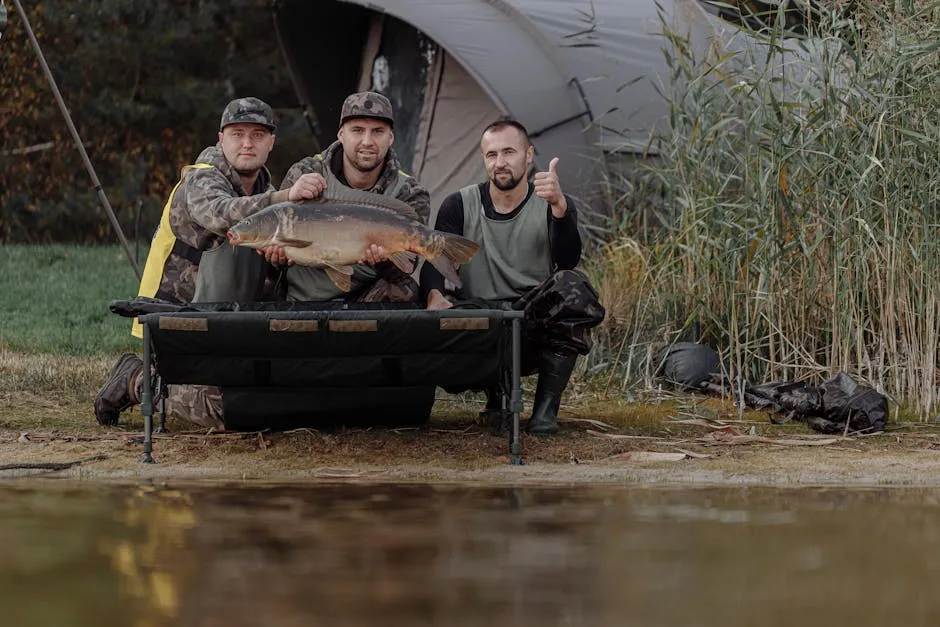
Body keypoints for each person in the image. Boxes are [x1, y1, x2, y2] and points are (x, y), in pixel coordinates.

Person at [94, 97, 323, 428]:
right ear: (221, 139)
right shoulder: (201, 179)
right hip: (177, 323)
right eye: (238, 134)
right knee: (224, 409)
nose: (247, 143)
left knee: (270, 394)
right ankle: (136, 378)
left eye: (258, 135)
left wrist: (278, 262)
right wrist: (285, 199)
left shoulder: (266, 190)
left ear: (271, 143)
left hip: (229, 326)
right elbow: (221, 214)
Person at [420, 118, 605, 435]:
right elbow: (433, 262)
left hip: (531, 322)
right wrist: (434, 296)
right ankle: (497, 397)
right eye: (491, 155)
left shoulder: (550, 202)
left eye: (509, 152)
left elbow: (568, 260)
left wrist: (560, 209)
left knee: (574, 288)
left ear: (529, 155)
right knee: (430, 310)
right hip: (483, 320)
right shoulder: (459, 205)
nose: (500, 163)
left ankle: (545, 412)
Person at [274, 91, 430, 302]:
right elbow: (279, 250)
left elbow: (406, 268)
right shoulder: (305, 173)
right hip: (304, 294)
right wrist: (278, 259)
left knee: (407, 290)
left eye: (377, 132)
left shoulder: (409, 192)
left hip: (367, 294)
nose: (367, 141)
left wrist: (383, 260)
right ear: (341, 135)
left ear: (390, 137)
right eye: (357, 130)